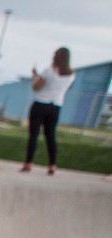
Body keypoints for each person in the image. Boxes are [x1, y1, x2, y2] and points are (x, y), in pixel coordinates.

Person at [22, 47, 77, 175]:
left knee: (34, 134)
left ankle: (28, 163)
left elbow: (36, 87)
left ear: (55, 57)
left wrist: (34, 76)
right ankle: (52, 164)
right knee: (51, 136)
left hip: (41, 103)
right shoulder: (71, 75)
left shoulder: (49, 71)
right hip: (56, 106)